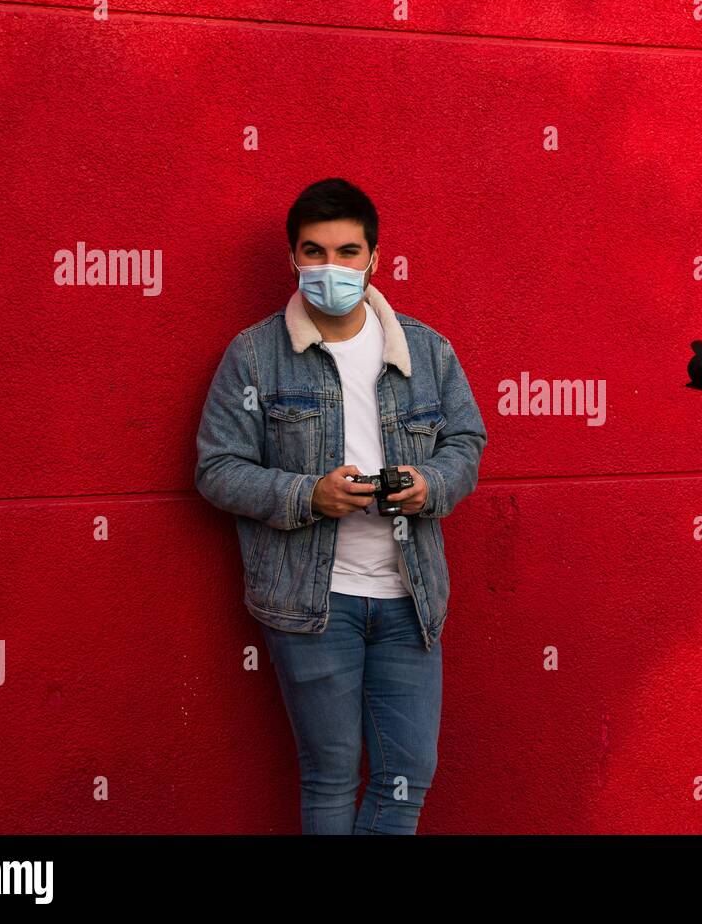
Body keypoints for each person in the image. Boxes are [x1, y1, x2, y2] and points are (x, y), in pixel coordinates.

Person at [195, 177, 487, 833]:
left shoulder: (426, 351)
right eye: (314, 252)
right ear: (292, 258)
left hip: (410, 599)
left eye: (347, 252)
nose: (331, 268)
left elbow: (466, 442)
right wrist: (309, 494)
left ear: (374, 258)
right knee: (329, 779)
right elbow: (217, 469)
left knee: (406, 778)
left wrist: (430, 484)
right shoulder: (253, 357)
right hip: (310, 602)